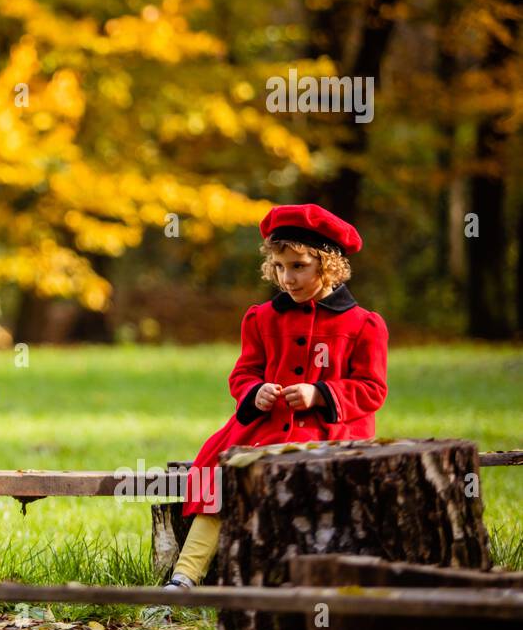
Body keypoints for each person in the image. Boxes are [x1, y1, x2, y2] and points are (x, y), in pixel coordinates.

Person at [162, 203, 389, 591]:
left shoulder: (363, 324)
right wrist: (256, 391)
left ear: (328, 264)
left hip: (329, 433)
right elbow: (243, 374)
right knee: (219, 476)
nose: (288, 278)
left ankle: (307, 582)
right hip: (265, 430)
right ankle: (184, 577)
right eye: (280, 267)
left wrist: (320, 394)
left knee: (310, 489)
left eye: (299, 266)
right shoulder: (261, 318)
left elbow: (372, 389)